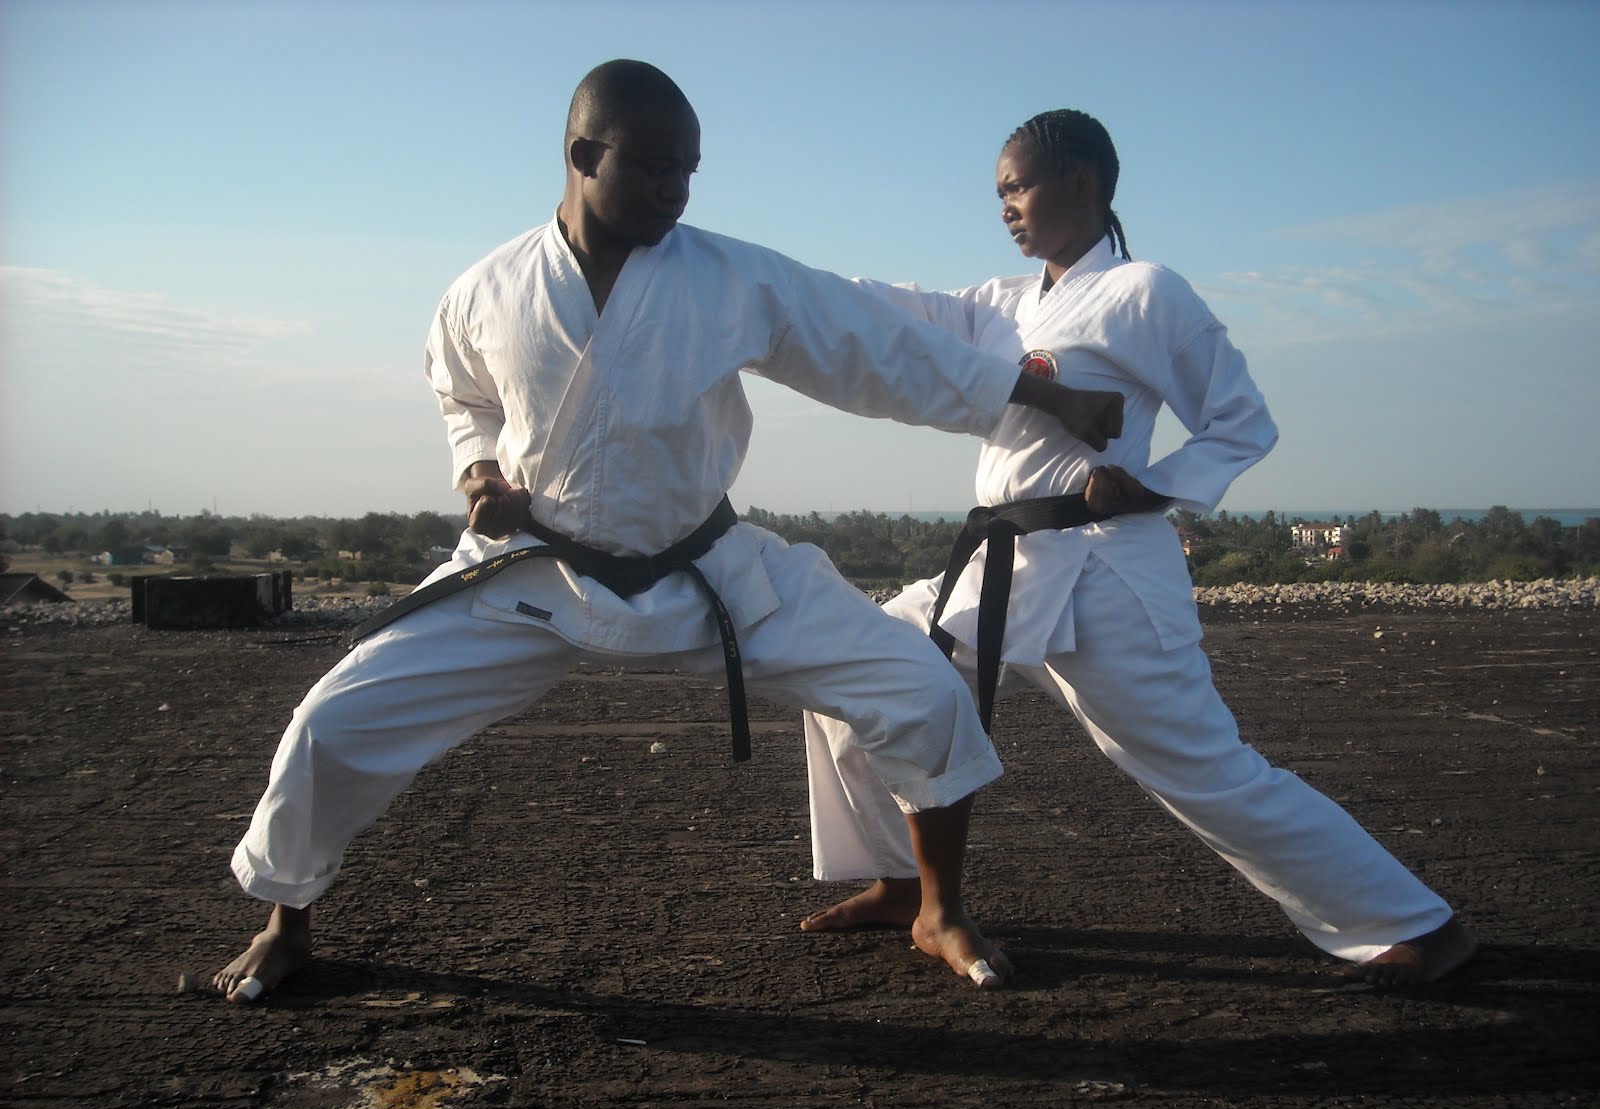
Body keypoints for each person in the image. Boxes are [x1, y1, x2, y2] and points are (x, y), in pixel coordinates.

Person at [210, 64, 1126, 1003]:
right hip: (535, 576)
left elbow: (873, 347)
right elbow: (465, 395)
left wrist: (1046, 395)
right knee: (335, 719)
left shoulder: (728, 276)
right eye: (654, 168)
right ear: (582, 156)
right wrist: (479, 469)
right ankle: (286, 920)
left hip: (707, 569)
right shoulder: (486, 288)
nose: (676, 191)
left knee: (919, 685)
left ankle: (934, 907)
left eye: (689, 171)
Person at [799, 108, 1476, 988]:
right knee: (855, 670)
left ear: (1082, 180)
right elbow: (890, 307)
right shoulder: (1001, 305)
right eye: (997, 191)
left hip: (1102, 572)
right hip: (1000, 565)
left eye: (1019, 185)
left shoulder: (1147, 293)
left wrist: (1153, 486)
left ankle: (1415, 924)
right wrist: (758, 279)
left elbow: (1241, 421)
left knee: (1198, 765)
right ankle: (905, 884)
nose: (1004, 205)